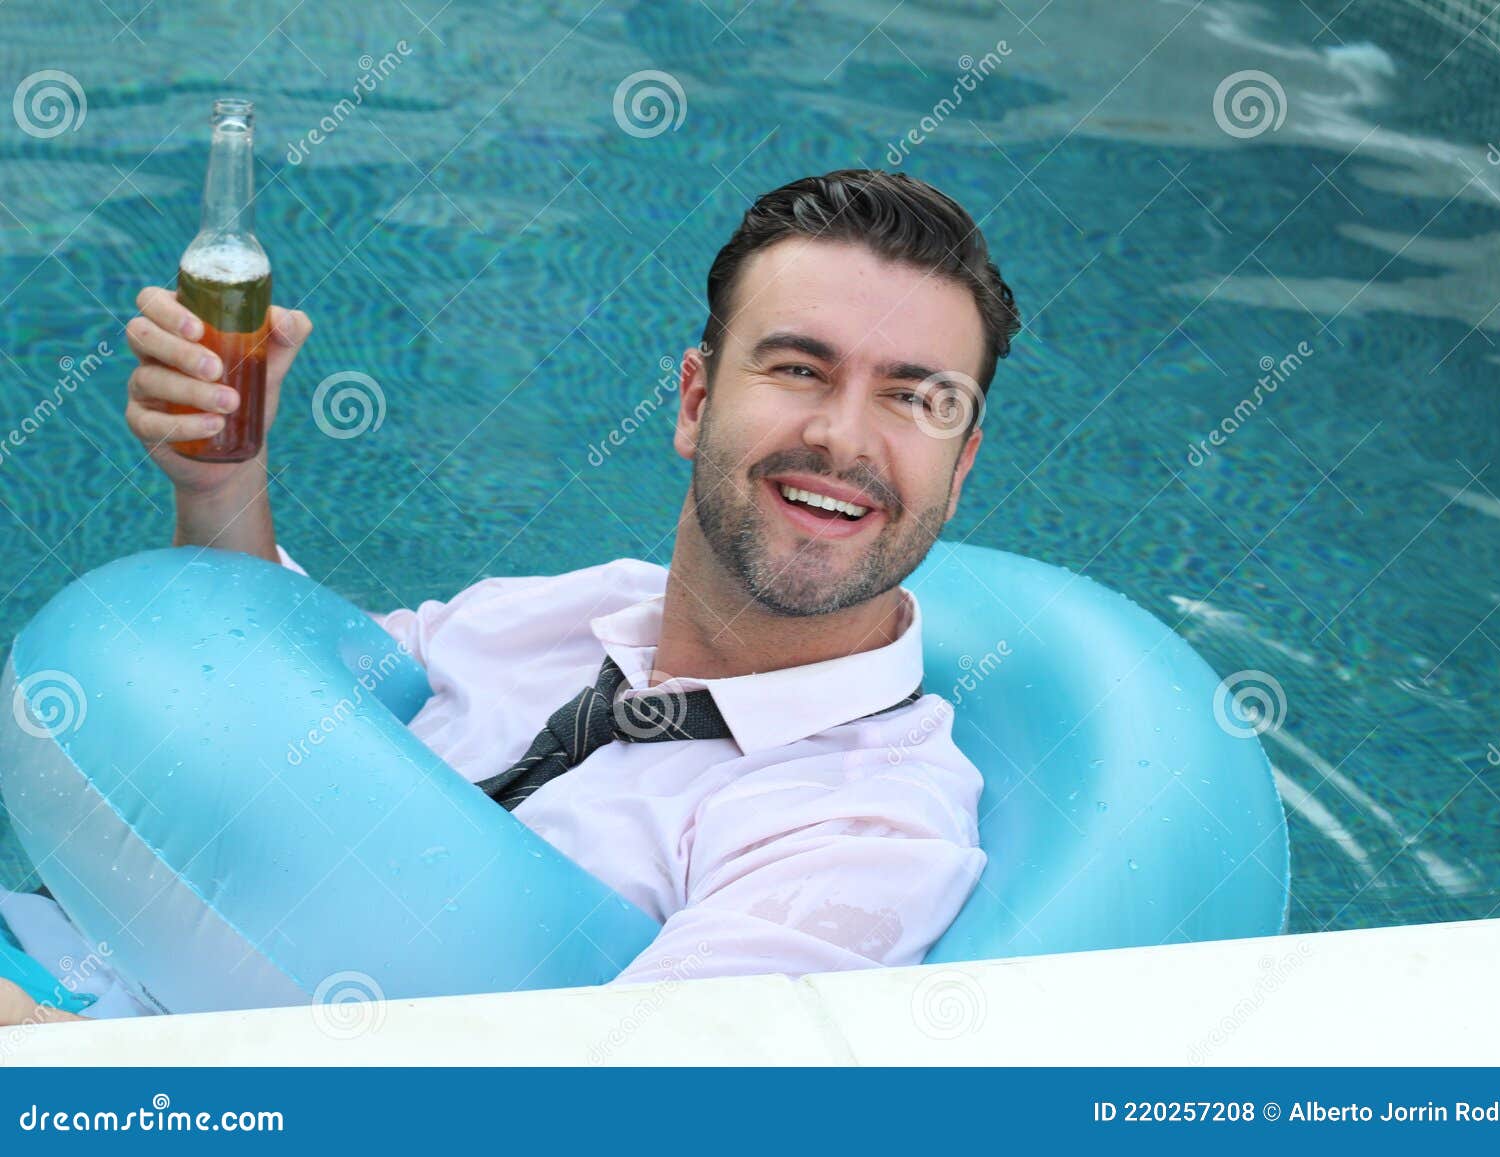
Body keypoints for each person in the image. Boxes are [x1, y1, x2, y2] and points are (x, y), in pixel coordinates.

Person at [0, 168, 1020, 1026]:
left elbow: (598, 1109)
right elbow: (276, 727)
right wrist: (222, 481)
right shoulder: (577, 612)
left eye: (914, 398)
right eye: (800, 368)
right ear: (696, 400)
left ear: (963, 463)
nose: (844, 438)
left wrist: (40, 1042)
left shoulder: (856, 837)